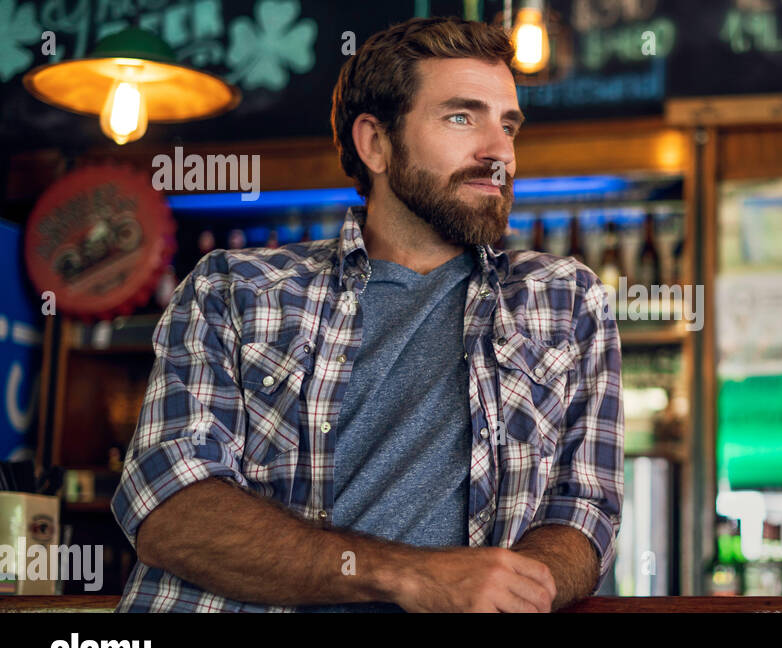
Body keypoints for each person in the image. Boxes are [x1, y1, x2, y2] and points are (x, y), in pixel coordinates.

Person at [110, 17, 623, 612]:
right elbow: (170, 505)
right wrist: (410, 576)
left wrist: (511, 590)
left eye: (508, 125)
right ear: (374, 143)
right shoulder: (236, 289)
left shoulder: (565, 300)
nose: (500, 152)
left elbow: (585, 509)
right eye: (462, 117)